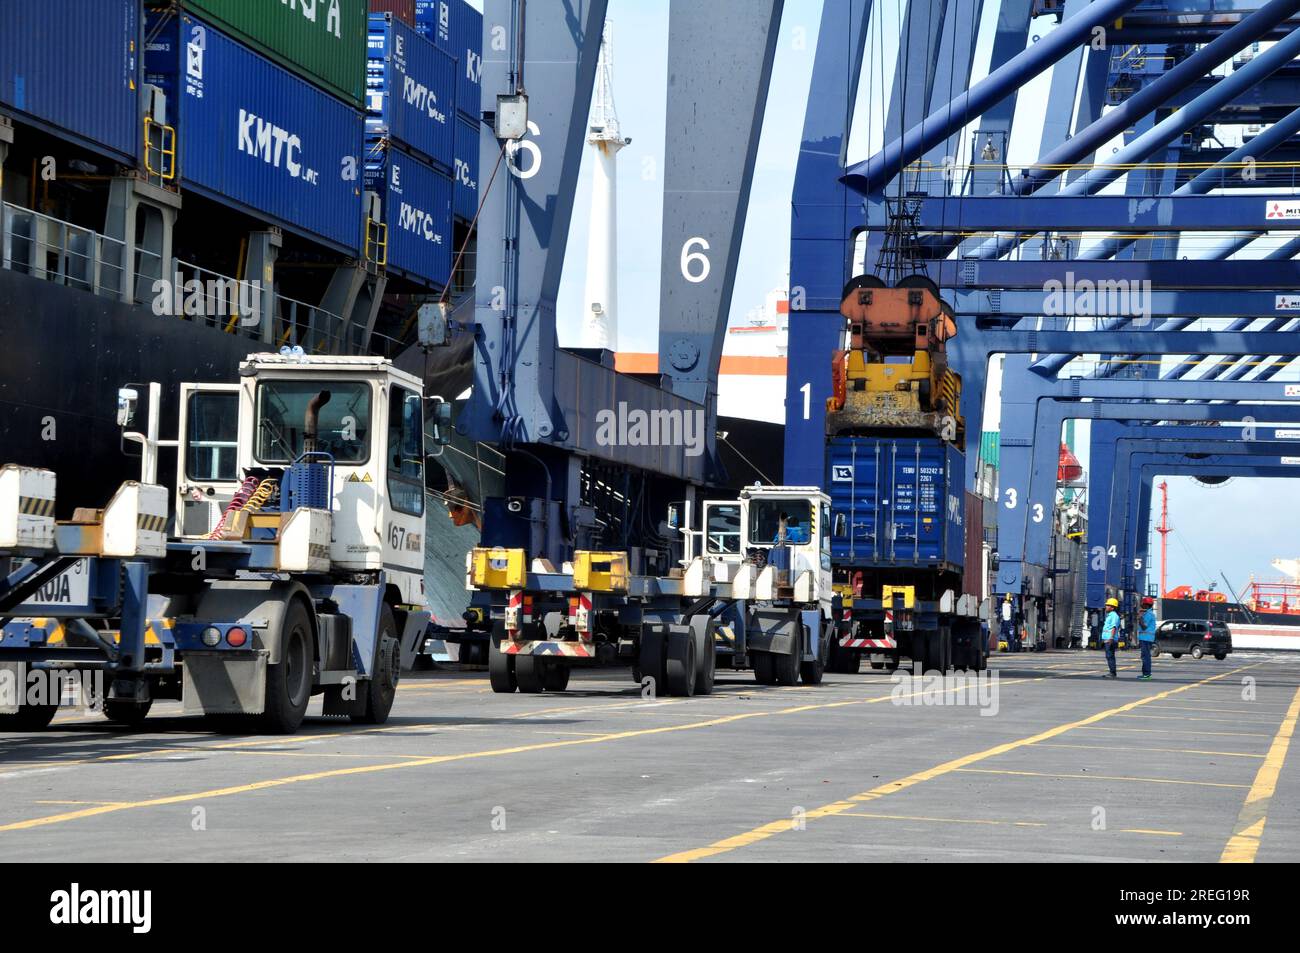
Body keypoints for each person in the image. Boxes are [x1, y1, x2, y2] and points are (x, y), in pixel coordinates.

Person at [1136, 596, 1157, 680]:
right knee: (1144, 656)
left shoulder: (1148, 614)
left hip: (1146, 638)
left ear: (1147, 605)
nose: (1141, 605)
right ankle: (1145, 673)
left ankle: (1147, 674)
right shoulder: (1148, 613)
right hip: (1145, 638)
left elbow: (1144, 626)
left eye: (1143, 604)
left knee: (1146, 656)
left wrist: (1140, 617)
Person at [1100, 597, 1120, 677]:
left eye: (1108, 605)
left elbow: (1114, 627)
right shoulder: (1110, 615)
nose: (1106, 607)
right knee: (1109, 656)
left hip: (1110, 639)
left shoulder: (1114, 616)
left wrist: (1111, 638)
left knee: (1110, 656)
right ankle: (1112, 672)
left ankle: (1112, 673)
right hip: (1107, 639)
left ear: (1112, 607)